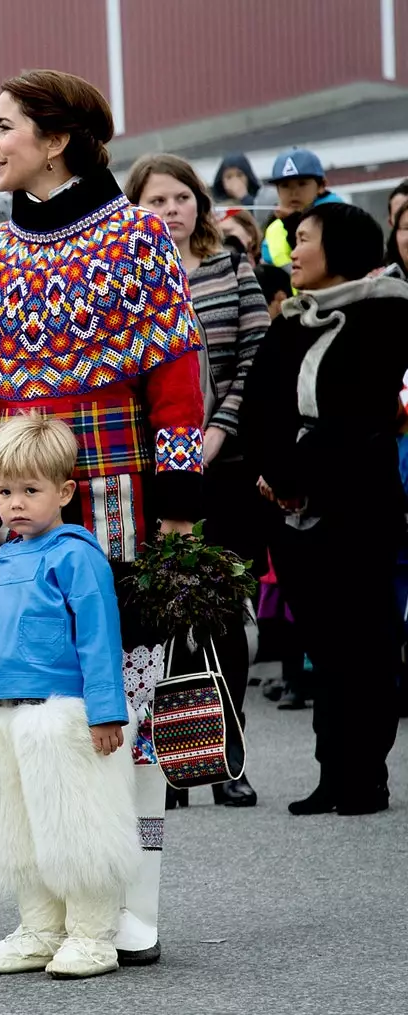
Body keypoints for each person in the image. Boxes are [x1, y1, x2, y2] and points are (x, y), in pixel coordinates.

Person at [0, 70, 204, 968]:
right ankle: (48, 906)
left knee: (118, 710)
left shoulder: (135, 235)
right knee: (26, 714)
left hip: (119, 497)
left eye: (4, 127)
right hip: (17, 504)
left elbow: (175, 378)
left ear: (54, 140)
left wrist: (177, 512)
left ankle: (132, 902)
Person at [0, 414, 138, 980]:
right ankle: (40, 928)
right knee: (18, 829)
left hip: (61, 716)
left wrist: (107, 711)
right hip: (0, 716)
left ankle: (92, 935)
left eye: (30, 491)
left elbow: (100, 635)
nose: (15, 504)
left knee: (75, 826)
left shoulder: (76, 555)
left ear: (64, 492)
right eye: (5, 491)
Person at [244, 201, 406, 817]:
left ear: (337, 248)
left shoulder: (388, 315)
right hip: (290, 508)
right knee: (325, 644)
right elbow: (261, 406)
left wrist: (296, 476)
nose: (292, 252)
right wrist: (275, 475)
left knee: (365, 640)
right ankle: (331, 773)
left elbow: (361, 415)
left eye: (303, 239)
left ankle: (366, 774)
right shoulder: (292, 320)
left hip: (357, 499)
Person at [126, 153, 270, 808]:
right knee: (163, 615)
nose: (171, 211)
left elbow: (255, 360)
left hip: (225, 466)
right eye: (156, 201)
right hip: (159, 474)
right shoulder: (126, 278)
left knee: (223, 615)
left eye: (181, 198)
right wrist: (174, 448)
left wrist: (217, 434)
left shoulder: (230, 266)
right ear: (136, 210)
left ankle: (228, 754)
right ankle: (176, 757)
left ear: (199, 205)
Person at [260, 147, 343, 270]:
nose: (294, 192)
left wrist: (292, 223)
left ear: (321, 185)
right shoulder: (274, 229)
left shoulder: (339, 216)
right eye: (285, 185)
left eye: (302, 184)